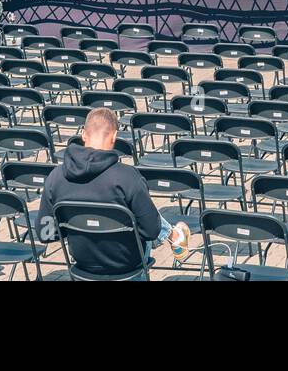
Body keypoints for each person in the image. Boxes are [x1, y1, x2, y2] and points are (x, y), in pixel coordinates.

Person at [37, 108, 188, 277]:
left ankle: (174, 235)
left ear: (84, 135)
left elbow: (46, 233)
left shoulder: (55, 177)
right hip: (128, 266)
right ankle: (174, 235)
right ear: (115, 137)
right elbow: (152, 231)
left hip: (83, 265)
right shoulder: (128, 177)